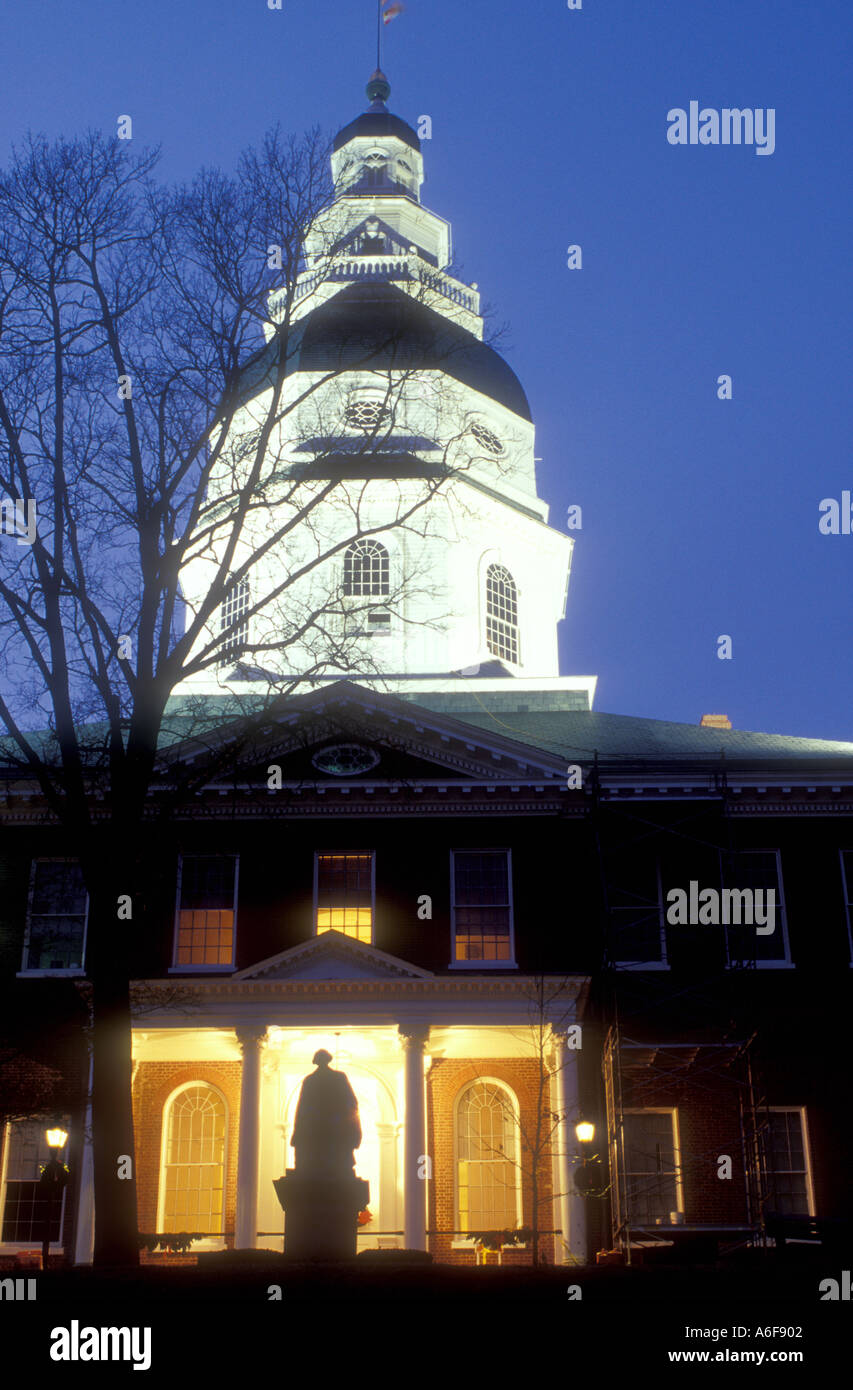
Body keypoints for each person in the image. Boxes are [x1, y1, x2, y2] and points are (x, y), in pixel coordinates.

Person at [291, 1048, 362, 1178]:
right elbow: (351, 1103)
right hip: (330, 1129)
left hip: (322, 1130)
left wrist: (298, 1131)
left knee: (327, 1162)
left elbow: (302, 1109)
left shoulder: (311, 1080)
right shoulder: (336, 1077)